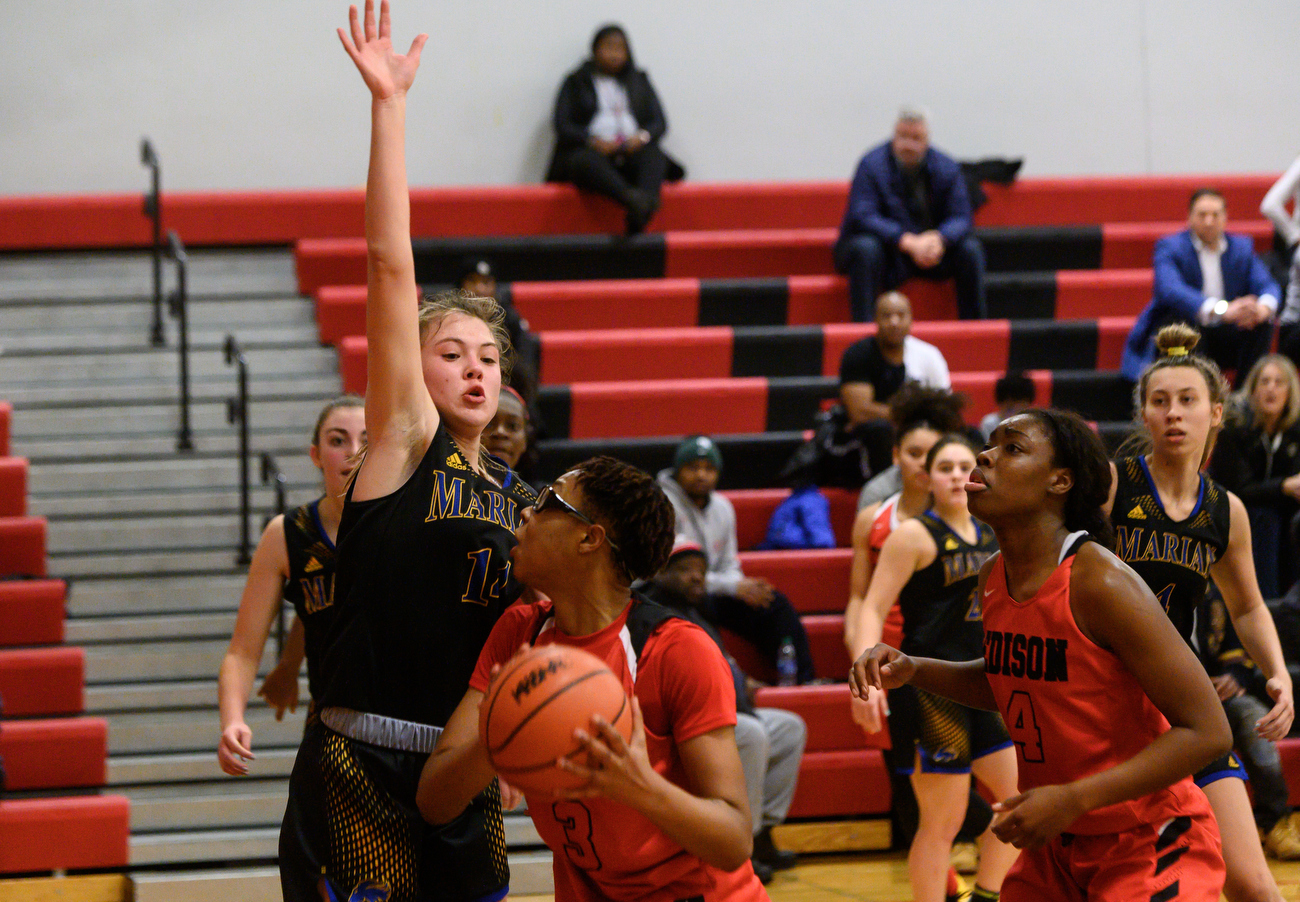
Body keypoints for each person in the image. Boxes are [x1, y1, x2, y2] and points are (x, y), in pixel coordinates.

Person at [281, 8, 538, 901]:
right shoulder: (402, 441)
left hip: (464, 760)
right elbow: (392, 266)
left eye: (489, 357)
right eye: (450, 353)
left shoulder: (520, 496)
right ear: (410, 373)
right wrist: (389, 107)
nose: (474, 369)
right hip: (363, 755)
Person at [853, 407, 1231, 901]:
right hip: (1056, 845)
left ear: (1060, 481)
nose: (985, 456)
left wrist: (1072, 799)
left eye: (1011, 448)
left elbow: (1209, 731)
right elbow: (1010, 680)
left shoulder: (1102, 582)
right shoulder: (994, 575)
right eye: (989, 445)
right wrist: (916, 668)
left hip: (1147, 837)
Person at [417, 458, 769, 902]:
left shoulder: (676, 650)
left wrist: (643, 787)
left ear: (589, 537)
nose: (525, 511)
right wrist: (497, 739)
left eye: (547, 502)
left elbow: (734, 841)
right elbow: (434, 801)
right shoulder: (518, 634)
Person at [1110, 322, 1295, 902]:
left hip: (1183, 701)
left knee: (1252, 883)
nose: (1174, 413)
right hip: (1106, 697)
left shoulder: (1226, 510)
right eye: (1160, 401)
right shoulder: (1112, 488)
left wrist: (1279, 672)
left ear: (1217, 413)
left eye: (1188, 401)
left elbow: (1247, 605)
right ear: (1144, 413)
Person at [848, 434, 1018, 902]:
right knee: (941, 823)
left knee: (1018, 798)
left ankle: (986, 894)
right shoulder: (913, 536)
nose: (957, 475)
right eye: (945, 467)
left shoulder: (995, 532)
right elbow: (871, 606)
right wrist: (865, 676)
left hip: (983, 682)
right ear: (928, 477)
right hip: (928, 687)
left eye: (967, 465)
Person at [217, 396, 365, 776]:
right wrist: (233, 719)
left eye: (366, 439)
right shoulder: (286, 534)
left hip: (406, 727)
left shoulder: (409, 524)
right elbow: (242, 653)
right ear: (316, 455)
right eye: (337, 440)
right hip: (332, 729)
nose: (353, 452)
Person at [642, 540, 806, 884]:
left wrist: (741, 679)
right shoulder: (654, 612)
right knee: (751, 734)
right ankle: (743, 841)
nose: (696, 578)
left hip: (733, 710)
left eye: (701, 572)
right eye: (685, 571)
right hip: (695, 723)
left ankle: (764, 833)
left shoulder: (700, 611)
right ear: (662, 573)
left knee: (789, 728)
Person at [658, 435, 816, 684]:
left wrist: (742, 588)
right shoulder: (661, 504)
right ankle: (736, 683)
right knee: (696, 604)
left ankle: (801, 680)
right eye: (693, 467)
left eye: (709, 469)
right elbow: (675, 573)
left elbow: (729, 563)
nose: (701, 475)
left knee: (772, 603)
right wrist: (733, 587)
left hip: (715, 590)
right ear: (678, 470)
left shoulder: (723, 507)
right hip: (674, 593)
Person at [833, 107, 986, 322]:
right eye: (903, 137)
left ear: (927, 140)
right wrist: (905, 240)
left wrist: (940, 239)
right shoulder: (870, 165)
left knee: (971, 250)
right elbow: (863, 214)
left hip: (931, 249)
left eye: (916, 138)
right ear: (893, 136)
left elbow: (962, 217)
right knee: (865, 249)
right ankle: (864, 331)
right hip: (887, 250)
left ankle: (975, 330)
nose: (909, 145)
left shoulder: (947, 167)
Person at [1122, 189, 1281, 387]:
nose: (1209, 221)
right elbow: (1169, 290)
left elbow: (1267, 284)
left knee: (1263, 322)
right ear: (1189, 217)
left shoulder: (1241, 247)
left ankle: (1244, 396)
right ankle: (1197, 391)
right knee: (1180, 320)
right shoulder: (1170, 247)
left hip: (1230, 331)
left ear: (1225, 217)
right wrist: (1222, 310)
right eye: (1202, 215)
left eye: (1215, 215)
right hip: (1190, 330)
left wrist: (1261, 309)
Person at [545, 24, 684, 235]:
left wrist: (642, 137)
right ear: (595, 50)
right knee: (585, 162)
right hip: (593, 150)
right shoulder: (576, 81)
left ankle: (641, 208)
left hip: (630, 150)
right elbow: (562, 125)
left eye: (620, 49)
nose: (614, 54)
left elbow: (660, 123)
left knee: (654, 157)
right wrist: (592, 141)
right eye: (608, 47)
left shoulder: (639, 80)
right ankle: (632, 199)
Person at [1199, 588, 1300, 859]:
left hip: (1221, 696)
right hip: (1174, 697)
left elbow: (1237, 648)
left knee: (1257, 721)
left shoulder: (1215, 592)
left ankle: (1274, 822)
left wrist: (1234, 676)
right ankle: (1209, 830)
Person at [1208, 355, 1300, 599]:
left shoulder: (1296, 429)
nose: (1271, 388)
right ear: (1253, 389)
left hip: (1280, 508)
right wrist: (1283, 487)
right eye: (1265, 381)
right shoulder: (1235, 425)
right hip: (1233, 507)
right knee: (1265, 518)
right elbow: (1238, 487)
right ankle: (1267, 603)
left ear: (1290, 391)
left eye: (1279, 382)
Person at [837, 291, 952, 477]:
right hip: (870, 441)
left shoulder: (929, 355)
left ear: (911, 319)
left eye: (900, 315)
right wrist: (911, 415)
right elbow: (859, 412)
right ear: (875, 319)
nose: (894, 322)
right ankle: (887, 490)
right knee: (880, 430)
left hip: (918, 429)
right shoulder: (857, 354)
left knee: (970, 434)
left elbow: (946, 407)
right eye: (887, 315)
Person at [457, 257, 540, 411]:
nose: (479, 289)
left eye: (486, 282)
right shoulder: (448, 319)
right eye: (473, 281)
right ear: (461, 285)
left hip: (505, 388)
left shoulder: (510, 317)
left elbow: (526, 362)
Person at [483, 385, 540, 488]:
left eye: (513, 426)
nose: (500, 432)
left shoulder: (535, 500)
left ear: (526, 440)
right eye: (488, 424)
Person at [978, 372, 1035, 442]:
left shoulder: (1036, 424)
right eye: (1009, 408)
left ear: (1027, 403)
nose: (1014, 410)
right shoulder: (990, 423)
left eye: (1018, 402)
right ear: (1000, 403)